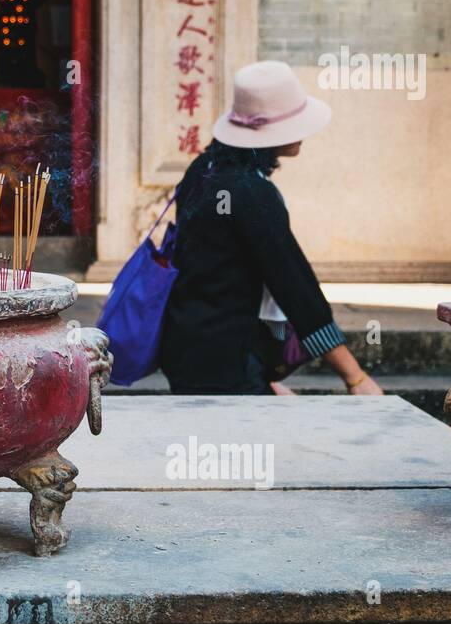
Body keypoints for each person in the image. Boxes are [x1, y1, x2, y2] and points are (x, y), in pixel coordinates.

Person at [158, 61, 383, 397]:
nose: (304, 132)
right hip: (225, 366)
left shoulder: (203, 168)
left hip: (188, 351)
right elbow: (294, 286)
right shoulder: (250, 191)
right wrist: (355, 377)